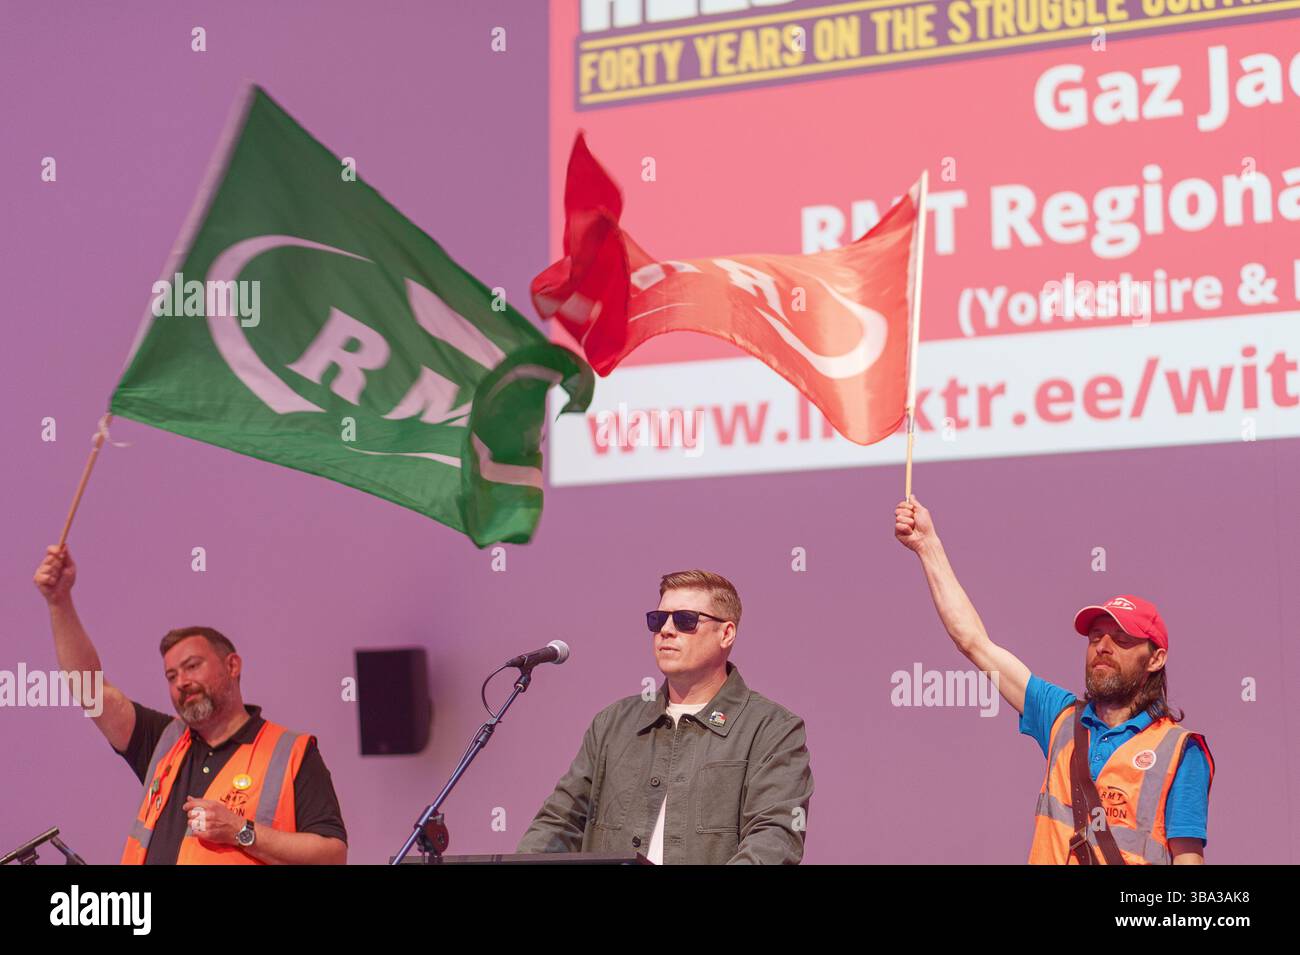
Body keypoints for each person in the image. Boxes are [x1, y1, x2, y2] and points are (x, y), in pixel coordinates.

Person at [894, 498, 1214, 865]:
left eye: (1122, 639)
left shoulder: (1180, 750)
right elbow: (974, 642)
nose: (1104, 647)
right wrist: (927, 545)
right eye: (1096, 637)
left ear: (1156, 659)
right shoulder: (1060, 718)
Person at [33, 544, 348, 865]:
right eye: (171, 675)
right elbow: (91, 691)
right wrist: (59, 602)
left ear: (233, 665)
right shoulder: (163, 741)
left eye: (193, 665)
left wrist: (241, 829)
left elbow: (332, 856)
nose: (181, 681)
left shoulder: (290, 752)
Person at [517, 570, 813, 864]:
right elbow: (559, 824)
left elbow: (774, 839)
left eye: (686, 620)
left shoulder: (772, 729)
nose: (666, 630)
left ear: (726, 633)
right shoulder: (613, 723)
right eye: (658, 620)